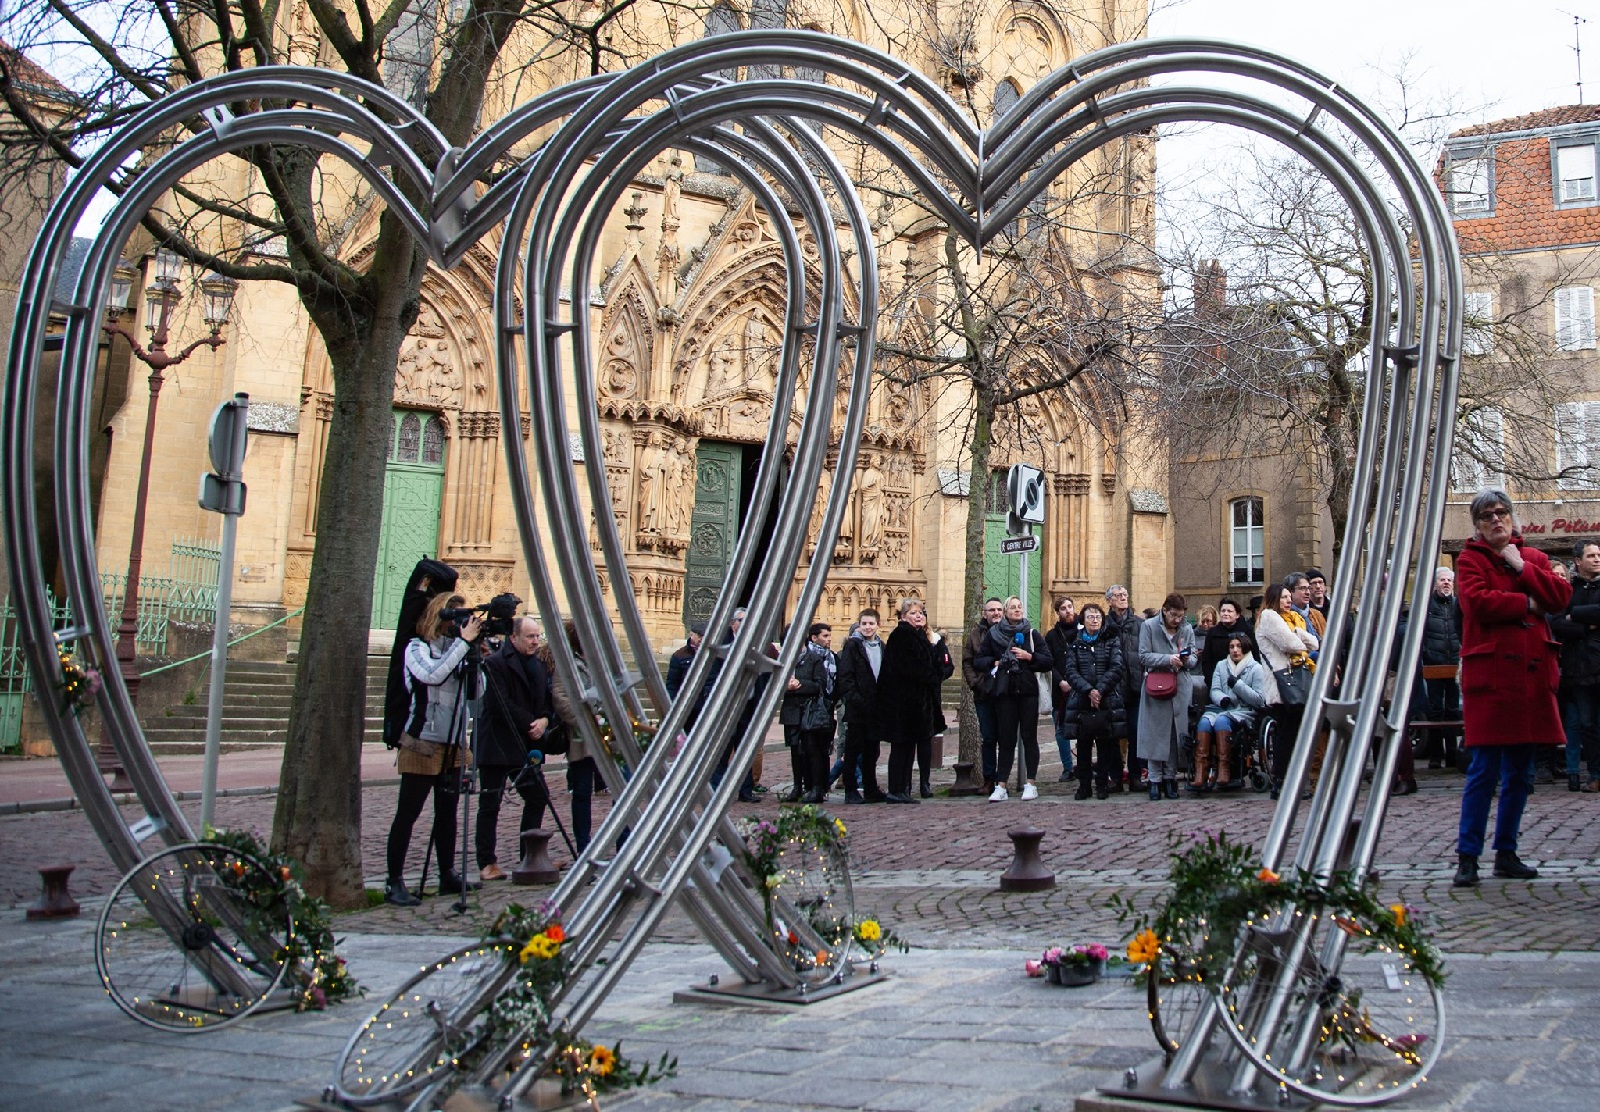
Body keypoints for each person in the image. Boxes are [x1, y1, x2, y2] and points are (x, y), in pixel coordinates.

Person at [1452, 489, 1571, 887]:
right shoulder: (1469, 560)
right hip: (1493, 681)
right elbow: (1477, 603)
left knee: (1521, 773)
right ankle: (1468, 855)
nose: (1496, 520)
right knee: (1483, 771)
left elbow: (1558, 598)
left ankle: (1507, 851)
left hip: (1531, 679)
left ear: (1512, 517)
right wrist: (1525, 605)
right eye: (1487, 516)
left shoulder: (1532, 558)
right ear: (1478, 524)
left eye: (1502, 513)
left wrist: (1522, 570)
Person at [385, 592, 485, 906]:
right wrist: (463, 645)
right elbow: (432, 674)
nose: (458, 625)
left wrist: (475, 656)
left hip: (454, 742)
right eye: (452, 617)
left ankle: (447, 873)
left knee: (448, 813)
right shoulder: (417, 648)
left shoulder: (458, 649)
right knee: (408, 813)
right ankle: (394, 880)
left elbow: (477, 695)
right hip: (422, 742)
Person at [475, 616, 557, 881]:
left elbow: (545, 700)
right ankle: (487, 862)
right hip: (498, 743)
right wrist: (530, 722)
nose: (535, 641)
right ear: (514, 637)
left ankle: (529, 856)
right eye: (530, 637)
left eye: (537, 636)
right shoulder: (495, 663)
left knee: (538, 796)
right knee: (490, 803)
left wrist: (544, 720)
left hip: (526, 743)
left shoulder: (539, 666)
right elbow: (500, 703)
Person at [975, 596, 1053, 801]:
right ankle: (1001, 785)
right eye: (1013, 607)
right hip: (1005, 692)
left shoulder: (1032, 634)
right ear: (1006, 611)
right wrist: (996, 662)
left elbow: (1047, 661)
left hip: (1027, 691)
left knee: (1029, 737)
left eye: (1020, 607)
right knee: (1006, 739)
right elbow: (979, 661)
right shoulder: (993, 635)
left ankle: (1031, 783)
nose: (1017, 610)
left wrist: (1030, 657)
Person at [539, 620, 604, 854]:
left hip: (607, 734)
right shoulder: (568, 665)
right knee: (583, 790)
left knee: (621, 788)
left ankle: (621, 844)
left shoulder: (602, 661)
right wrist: (587, 720)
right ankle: (584, 846)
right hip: (581, 736)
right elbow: (561, 699)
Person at [1255, 582, 1319, 800]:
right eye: (1283, 597)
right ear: (1274, 599)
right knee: (1287, 734)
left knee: (1291, 732)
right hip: (1282, 684)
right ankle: (1282, 781)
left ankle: (1287, 781)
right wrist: (1298, 636)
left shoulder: (1291, 620)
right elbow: (1291, 644)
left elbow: (1315, 642)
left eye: (1288, 596)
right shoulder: (1269, 617)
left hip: (1291, 682)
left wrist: (1297, 633)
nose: (1288, 600)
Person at [879, 599, 943, 804]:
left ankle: (903, 789)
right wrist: (931, 674)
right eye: (914, 612)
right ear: (904, 615)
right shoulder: (902, 635)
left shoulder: (919, 636)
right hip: (903, 703)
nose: (919, 615)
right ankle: (895, 789)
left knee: (908, 747)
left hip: (915, 703)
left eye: (921, 612)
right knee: (901, 747)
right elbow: (911, 667)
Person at [1060, 602, 1125, 800]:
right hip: (1082, 701)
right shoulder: (1075, 642)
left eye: (1097, 616)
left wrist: (1100, 690)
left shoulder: (1111, 640)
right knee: (1084, 745)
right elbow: (1070, 670)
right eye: (1090, 616)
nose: (1094, 619)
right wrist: (1089, 691)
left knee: (1105, 745)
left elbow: (1116, 666)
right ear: (1083, 620)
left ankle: (1102, 785)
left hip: (1106, 700)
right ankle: (1084, 786)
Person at [1190, 632, 1268, 793]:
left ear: (1245, 648)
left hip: (1243, 710)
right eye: (1232, 647)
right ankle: (1200, 770)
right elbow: (1215, 689)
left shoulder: (1256, 669)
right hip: (1221, 708)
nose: (1235, 650)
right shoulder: (1221, 666)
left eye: (1239, 646)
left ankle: (1223, 767)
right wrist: (1222, 699)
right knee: (1204, 722)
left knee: (1221, 721)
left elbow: (1259, 700)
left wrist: (1237, 685)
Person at [1136, 593, 1196, 800]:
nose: (1177, 620)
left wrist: (1186, 660)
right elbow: (1143, 656)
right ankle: (1154, 779)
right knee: (1155, 733)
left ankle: (1170, 778)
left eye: (1180, 616)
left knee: (1175, 732)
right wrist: (1168, 659)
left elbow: (1194, 657)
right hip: (1157, 684)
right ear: (1164, 610)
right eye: (1173, 615)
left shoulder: (1187, 628)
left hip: (1180, 685)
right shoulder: (1149, 626)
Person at [1552, 541, 1600, 793]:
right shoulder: (1567, 590)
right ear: (1578, 561)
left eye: (1598, 555)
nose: (1597, 559)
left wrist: (1577, 614)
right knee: (1586, 724)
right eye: (1591, 555)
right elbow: (1557, 623)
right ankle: (1595, 774)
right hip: (1578, 669)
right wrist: (1585, 626)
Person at [780, 622, 838, 803]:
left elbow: (819, 685)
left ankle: (815, 788)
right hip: (791, 712)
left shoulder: (814, 659)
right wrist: (784, 686)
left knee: (812, 751)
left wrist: (798, 685)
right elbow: (772, 685)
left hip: (810, 712)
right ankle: (797, 787)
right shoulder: (783, 660)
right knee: (795, 752)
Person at [837, 608, 888, 803]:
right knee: (852, 749)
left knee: (872, 751)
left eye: (871, 624)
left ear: (878, 625)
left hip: (875, 708)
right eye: (864, 624)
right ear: (859, 625)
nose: (867, 627)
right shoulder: (853, 646)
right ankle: (850, 789)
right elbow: (846, 677)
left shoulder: (881, 646)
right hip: (858, 707)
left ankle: (871, 787)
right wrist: (856, 700)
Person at [1418, 568, 1462, 773]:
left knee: (1453, 710)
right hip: (1433, 664)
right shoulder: (1426, 607)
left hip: (1454, 663)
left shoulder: (1458, 605)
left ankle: (1452, 753)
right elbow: (1421, 634)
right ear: (1435, 584)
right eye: (1442, 580)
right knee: (1435, 710)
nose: (1446, 583)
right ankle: (1436, 755)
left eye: (1449, 580)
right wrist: (1426, 655)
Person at [962, 598, 1005, 791]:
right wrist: (974, 683)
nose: (996, 613)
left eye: (999, 609)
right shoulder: (975, 635)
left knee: (1005, 738)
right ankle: (989, 779)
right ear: (984, 613)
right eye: (992, 610)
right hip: (984, 692)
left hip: (1006, 692)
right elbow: (967, 661)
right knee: (988, 738)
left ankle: (1003, 780)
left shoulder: (1009, 632)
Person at [1105, 584, 1144, 790]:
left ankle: (1136, 776)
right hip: (1112, 687)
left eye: (1125, 595)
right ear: (1109, 601)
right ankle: (1116, 777)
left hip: (1135, 687)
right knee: (1113, 733)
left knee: (1136, 731)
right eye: (1118, 596)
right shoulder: (1103, 625)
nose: (1122, 598)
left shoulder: (1140, 624)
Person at [1045, 597, 1081, 782]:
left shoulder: (1084, 631)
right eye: (1063, 608)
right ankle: (1068, 768)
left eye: (1070, 607)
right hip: (1060, 690)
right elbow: (1049, 662)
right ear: (1057, 612)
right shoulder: (1051, 636)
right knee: (1061, 731)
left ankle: (1083, 766)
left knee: (1085, 728)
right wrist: (1060, 681)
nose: (1068, 611)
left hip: (1082, 688)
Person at [1199, 598, 1253, 688]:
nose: (1225, 613)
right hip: (1218, 682)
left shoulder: (1247, 631)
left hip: (1244, 682)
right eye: (1223, 611)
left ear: (1237, 615)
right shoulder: (1213, 633)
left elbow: (1254, 656)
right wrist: (1211, 682)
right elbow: (1207, 660)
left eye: (1229, 611)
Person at [665, 622, 705, 699]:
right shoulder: (680, 655)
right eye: (700, 636)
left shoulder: (714, 653)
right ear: (691, 635)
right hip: (686, 699)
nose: (702, 639)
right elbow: (672, 683)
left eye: (705, 636)